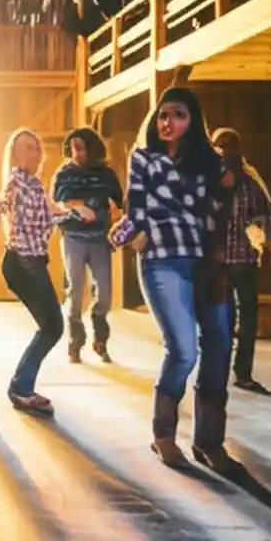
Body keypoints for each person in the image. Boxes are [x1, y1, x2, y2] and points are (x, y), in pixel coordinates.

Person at [111, 87, 235, 469]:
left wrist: (227, 180)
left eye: (178, 115)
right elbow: (139, 205)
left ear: (193, 120)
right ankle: (163, 434)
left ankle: (209, 442)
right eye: (163, 115)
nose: (168, 122)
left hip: (205, 262)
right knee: (183, 350)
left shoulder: (208, 161)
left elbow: (218, 209)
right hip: (162, 259)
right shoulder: (143, 157)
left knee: (219, 347)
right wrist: (126, 234)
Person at [210, 128, 271, 392]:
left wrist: (257, 228)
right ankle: (232, 372)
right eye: (222, 147)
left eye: (229, 147)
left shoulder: (249, 183)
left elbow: (270, 221)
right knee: (227, 319)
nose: (225, 152)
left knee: (242, 319)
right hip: (221, 262)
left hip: (240, 261)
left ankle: (240, 372)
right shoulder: (212, 182)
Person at [0, 128, 61, 417]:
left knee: (50, 326)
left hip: (32, 261)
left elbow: (48, 217)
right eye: (27, 147)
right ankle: (21, 388)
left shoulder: (35, 185)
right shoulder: (16, 184)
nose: (34, 153)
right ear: (14, 153)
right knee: (53, 326)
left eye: (36, 147)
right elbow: (16, 220)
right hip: (23, 262)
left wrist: (74, 213)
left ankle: (22, 386)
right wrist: (29, 265)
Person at [51, 127, 123, 363]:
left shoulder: (106, 174)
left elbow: (120, 202)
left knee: (104, 293)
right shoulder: (63, 173)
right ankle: (76, 338)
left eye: (81, 148)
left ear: (92, 149)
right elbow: (57, 203)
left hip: (99, 239)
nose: (76, 152)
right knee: (76, 290)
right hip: (73, 237)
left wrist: (115, 217)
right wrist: (78, 206)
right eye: (72, 147)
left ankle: (100, 335)